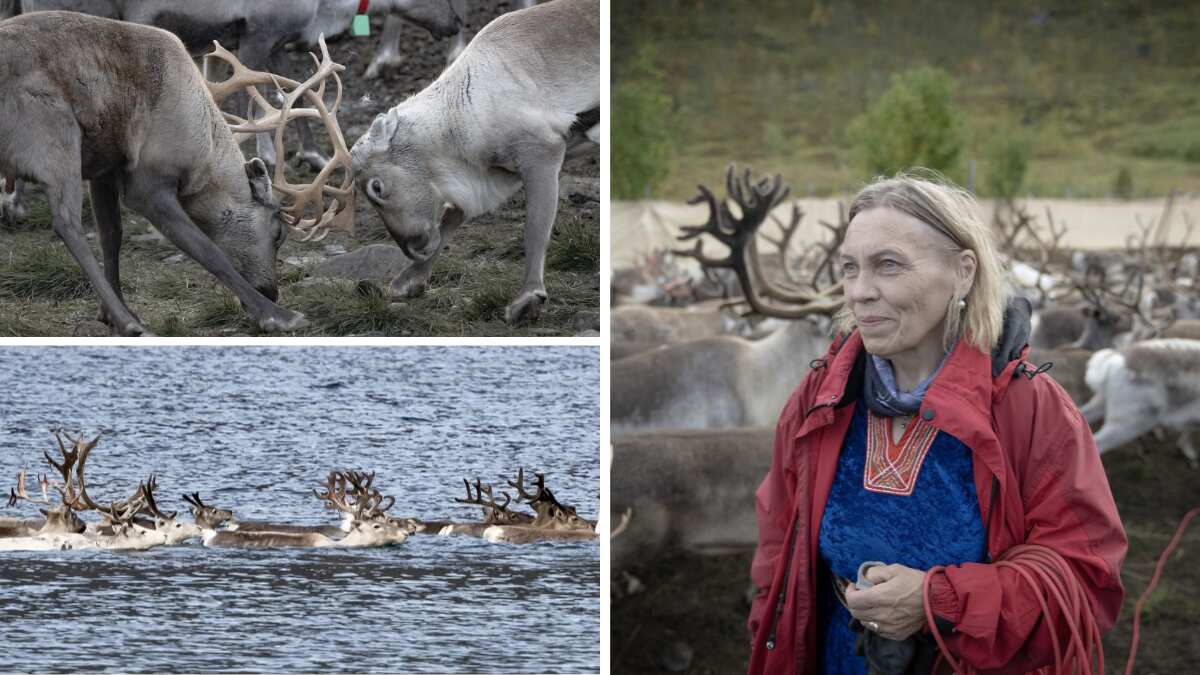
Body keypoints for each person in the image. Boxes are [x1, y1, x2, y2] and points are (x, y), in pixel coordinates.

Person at [746, 172, 1127, 674]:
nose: (860, 292)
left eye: (888, 266)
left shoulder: (1030, 410)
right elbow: (778, 556)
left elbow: (1085, 579)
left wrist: (939, 601)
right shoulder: (821, 399)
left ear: (963, 272)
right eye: (849, 268)